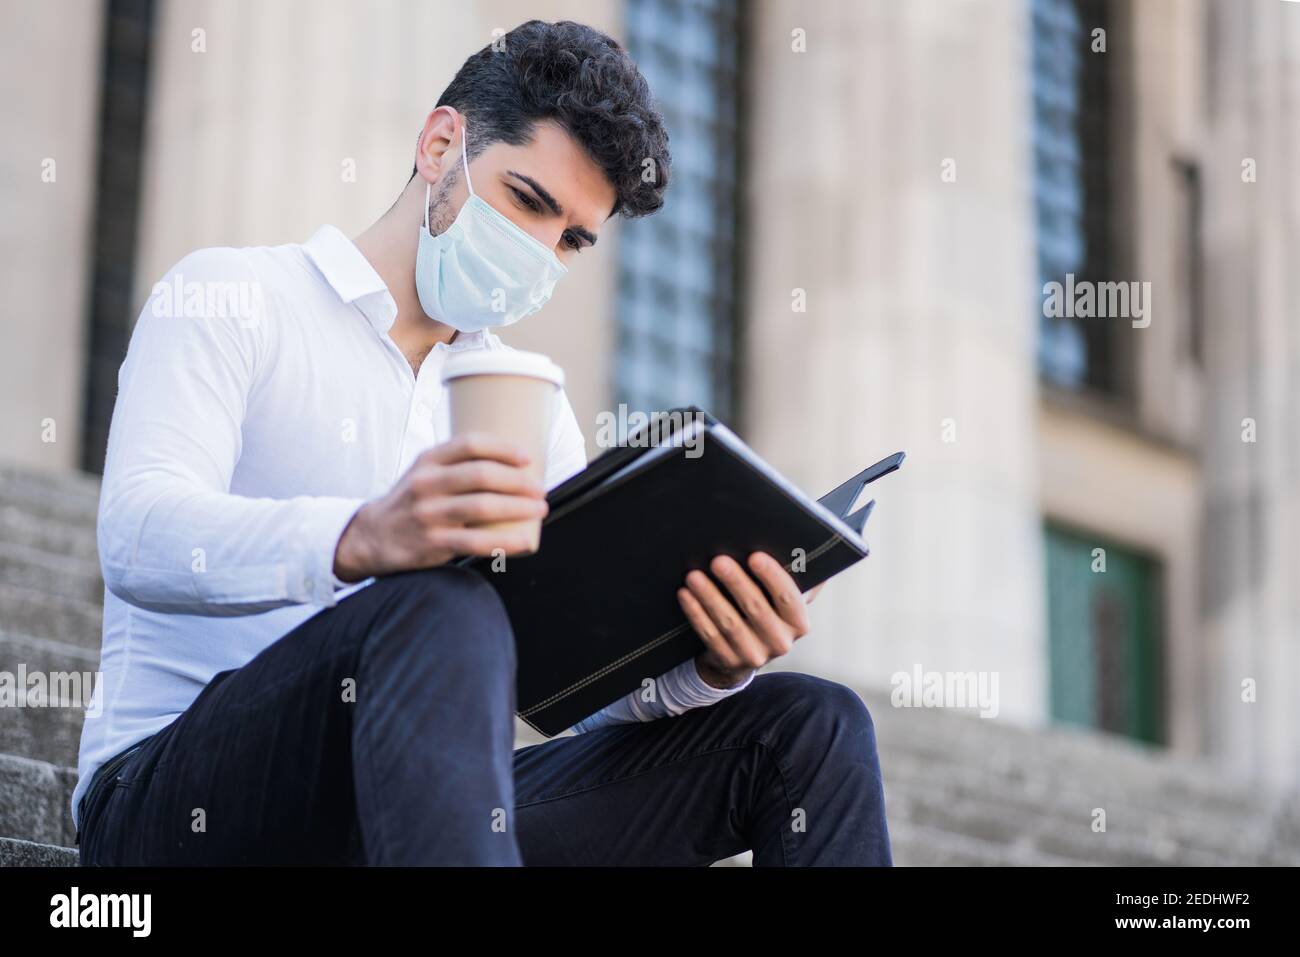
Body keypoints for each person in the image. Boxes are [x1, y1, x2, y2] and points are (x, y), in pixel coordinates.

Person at [74, 19, 891, 866]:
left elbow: (579, 686)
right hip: (176, 801)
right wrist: (361, 538)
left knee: (812, 728)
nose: (540, 253)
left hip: (421, 806)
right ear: (439, 144)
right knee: (442, 600)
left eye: (571, 239)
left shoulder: (535, 406)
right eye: (528, 202)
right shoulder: (234, 296)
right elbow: (137, 533)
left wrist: (710, 661)